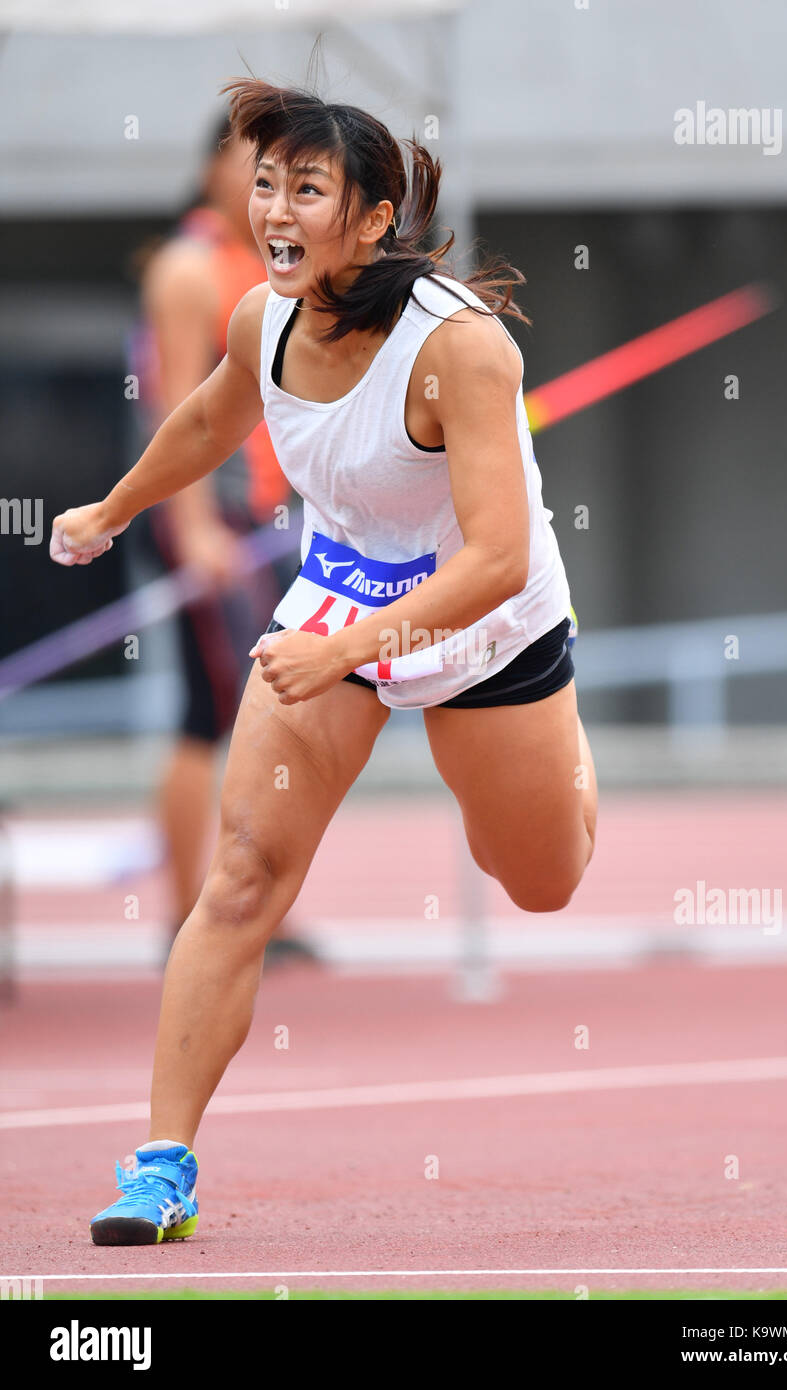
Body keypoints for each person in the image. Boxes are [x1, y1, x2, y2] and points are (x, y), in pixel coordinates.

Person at [50, 78, 598, 1246]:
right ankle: (162, 1166)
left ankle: (565, 773)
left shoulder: (461, 351)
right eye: (264, 183)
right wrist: (113, 506)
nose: (274, 208)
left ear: (370, 216)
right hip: (341, 603)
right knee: (241, 876)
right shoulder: (262, 319)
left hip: (484, 624)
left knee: (539, 875)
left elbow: (496, 558)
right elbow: (209, 418)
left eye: (307, 187)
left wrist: (352, 649)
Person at [126, 113, 313, 963]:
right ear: (212, 171)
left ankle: (254, 903)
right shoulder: (187, 269)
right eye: (258, 173)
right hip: (199, 520)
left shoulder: (278, 272)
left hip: (267, 521)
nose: (272, 194)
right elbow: (176, 413)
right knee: (213, 708)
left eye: (289, 177)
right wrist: (195, 529)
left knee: (273, 708)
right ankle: (186, 917)